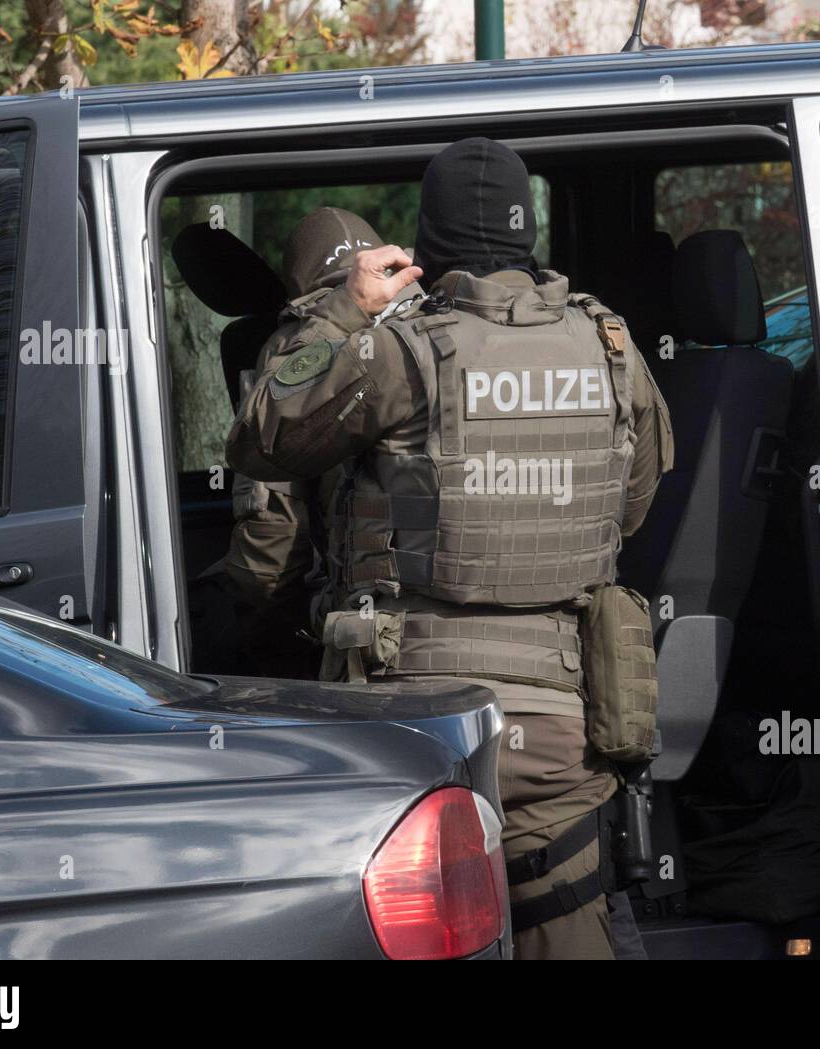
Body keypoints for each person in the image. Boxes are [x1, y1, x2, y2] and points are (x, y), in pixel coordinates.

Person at [226, 138, 673, 959]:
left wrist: (342, 310)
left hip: (417, 723)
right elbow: (632, 504)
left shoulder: (401, 350)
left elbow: (262, 433)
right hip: (562, 722)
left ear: (422, 251)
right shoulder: (610, 346)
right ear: (528, 230)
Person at [224, 207, 419, 676]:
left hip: (368, 646)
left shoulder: (295, 345)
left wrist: (279, 660)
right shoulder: (444, 322)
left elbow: (269, 549)